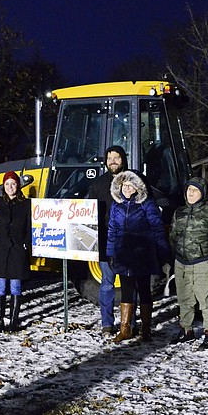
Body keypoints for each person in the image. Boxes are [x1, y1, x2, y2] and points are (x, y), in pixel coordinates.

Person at [106, 170, 170, 343]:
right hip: (123, 252)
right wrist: (110, 252)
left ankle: (146, 329)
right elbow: (112, 230)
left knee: (144, 290)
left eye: (130, 185)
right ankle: (125, 328)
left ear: (137, 187)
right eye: (124, 185)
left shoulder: (147, 204)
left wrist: (162, 250)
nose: (127, 189)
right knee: (126, 290)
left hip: (142, 252)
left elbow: (156, 227)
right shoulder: (116, 205)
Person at [169, 176, 208, 351]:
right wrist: (176, 253)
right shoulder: (179, 212)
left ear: (202, 193)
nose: (191, 193)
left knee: (205, 300)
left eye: (195, 190)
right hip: (181, 262)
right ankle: (186, 330)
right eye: (189, 190)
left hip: (203, 262)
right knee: (184, 299)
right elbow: (172, 235)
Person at [86, 145, 128, 334]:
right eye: (110, 158)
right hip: (105, 240)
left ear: (123, 159)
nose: (113, 161)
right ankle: (107, 324)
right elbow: (89, 213)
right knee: (106, 284)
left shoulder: (132, 180)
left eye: (117, 157)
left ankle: (129, 323)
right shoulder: (98, 184)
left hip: (128, 241)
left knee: (129, 284)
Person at [0, 171, 31, 332]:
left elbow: (30, 226)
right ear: (3, 186)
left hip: (18, 250)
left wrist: (27, 244)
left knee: (15, 286)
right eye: (7, 184)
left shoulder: (26, 204)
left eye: (13, 183)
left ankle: (13, 322)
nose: (10, 187)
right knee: (0, 286)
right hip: (1, 250)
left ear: (18, 185)